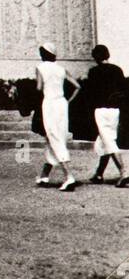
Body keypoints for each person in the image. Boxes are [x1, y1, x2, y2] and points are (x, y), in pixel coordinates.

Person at [35, 42, 79, 191]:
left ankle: (69, 176)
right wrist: (68, 100)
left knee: (54, 137)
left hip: (49, 104)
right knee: (54, 137)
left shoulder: (40, 68)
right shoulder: (61, 68)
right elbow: (77, 86)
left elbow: (39, 88)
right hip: (62, 104)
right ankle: (44, 175)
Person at [85, 44, 129, 186]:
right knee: (105, 140)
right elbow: (123, 89)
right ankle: (99, 173)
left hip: (101, 109)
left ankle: (124, 172)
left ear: (95, 58)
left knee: (108, 141)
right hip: (115, 110)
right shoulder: (117, 70)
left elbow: (90, 93)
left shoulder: (93, 72)